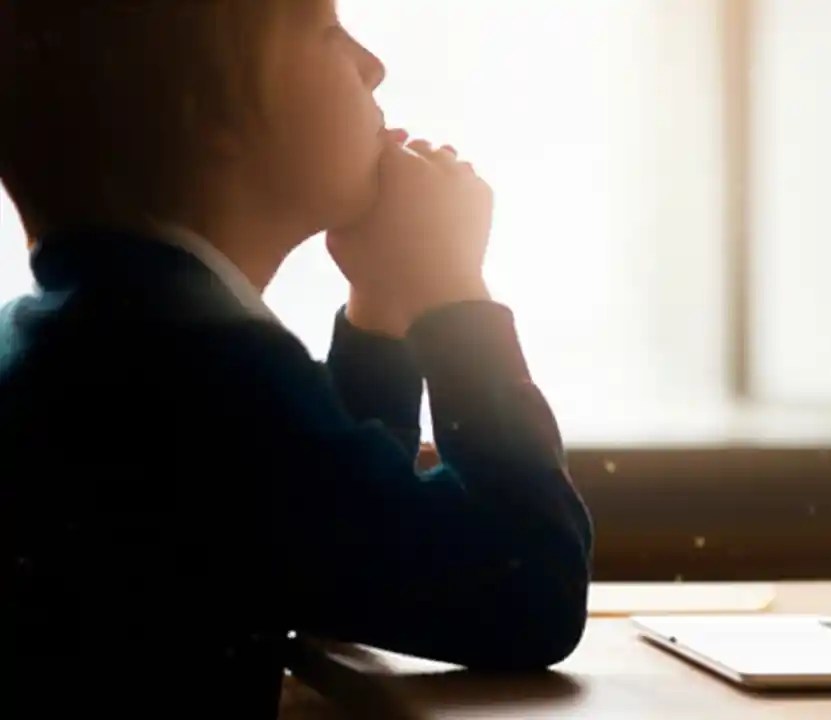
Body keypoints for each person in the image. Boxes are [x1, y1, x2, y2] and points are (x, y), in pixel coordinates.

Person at [0, 1, 593, 717]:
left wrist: (380, 308)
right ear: (209, 114)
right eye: (328, 33)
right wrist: (453, 294)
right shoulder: (199, 381)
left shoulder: (87, 339)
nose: (374, 65)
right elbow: (526, 592)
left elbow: (332, 559)